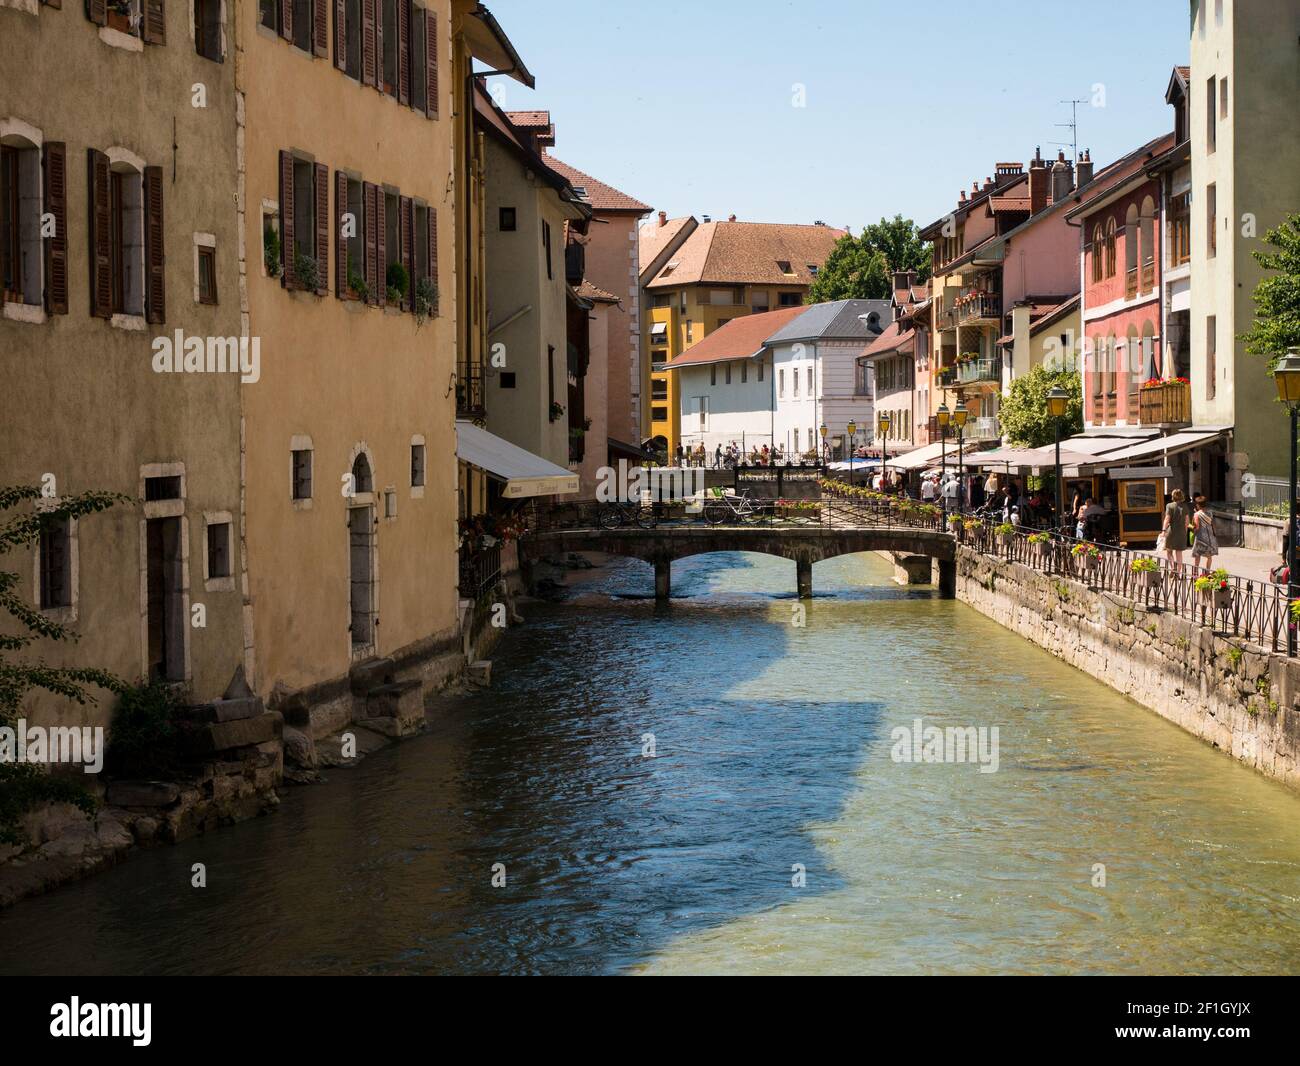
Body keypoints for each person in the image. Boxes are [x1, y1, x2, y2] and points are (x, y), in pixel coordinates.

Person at [1161, 489, 1190, 569]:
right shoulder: (1185, 506)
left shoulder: (1169, 505)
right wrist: (1185, 531)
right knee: (1179, 552)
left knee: (1169, 550)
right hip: (1181, 532)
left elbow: (1167, 519)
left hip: (1171, 531)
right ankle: (1178, 572)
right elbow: (1187, 521)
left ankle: (1173, 567)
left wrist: (1163, 530)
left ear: (1173, 496)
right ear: (1182, 496)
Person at [1190, 494, 1219, 573]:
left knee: (1197, 555)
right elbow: (1212, 524)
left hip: (1200, 537)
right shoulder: (1210, 512)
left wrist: (1191, 528)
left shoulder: (1196, 514)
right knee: (1209, 556)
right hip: (1210, 537)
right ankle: (1207, 572)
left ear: (1198, 505)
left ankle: (1195, 572)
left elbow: (1197, 527)